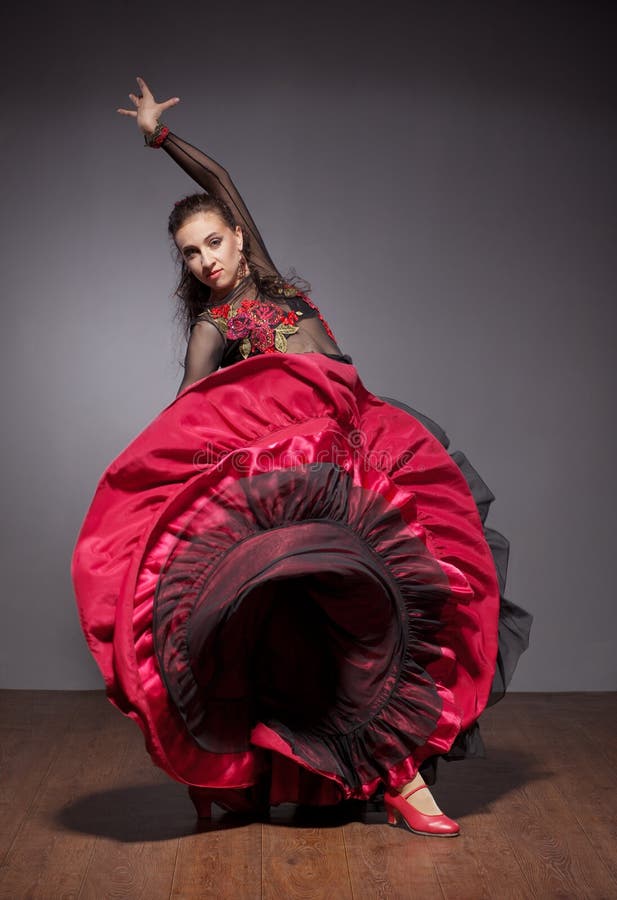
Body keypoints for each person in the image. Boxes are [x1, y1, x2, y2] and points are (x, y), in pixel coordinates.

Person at [71, 77, 533, 839]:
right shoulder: (216, 325)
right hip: (301, 479)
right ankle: (389, 780)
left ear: (240, 238)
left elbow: (219, 180)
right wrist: (148, 489)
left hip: (358, 445)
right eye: (190, 254)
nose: (204, 260)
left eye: (213, 242)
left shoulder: (273, 283)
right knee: (327, 615)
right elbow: (188, 407)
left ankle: (362, 774)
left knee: (401, 599)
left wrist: (159, 138)